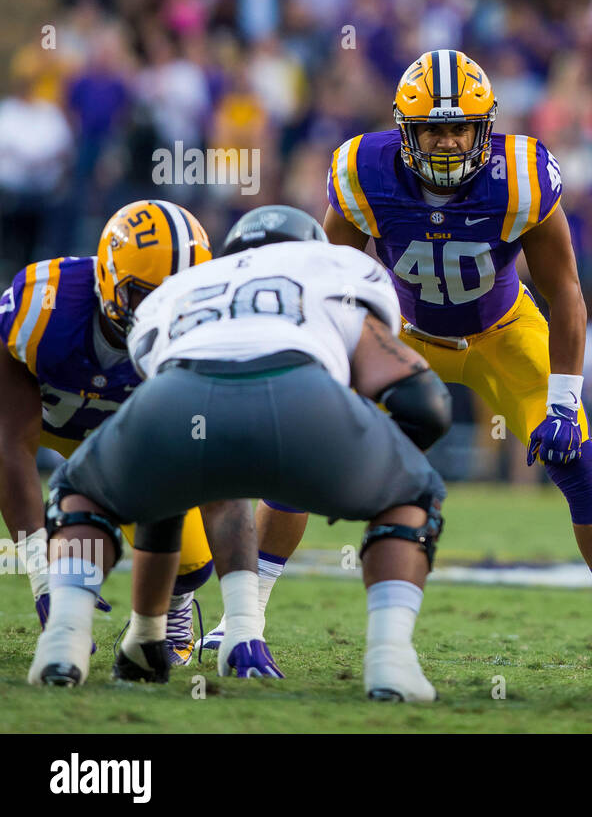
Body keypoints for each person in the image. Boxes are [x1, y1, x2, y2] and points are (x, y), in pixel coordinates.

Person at [207, 49, 592, 662]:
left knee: (576, 458)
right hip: (402, 333)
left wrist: (566, 399)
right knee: (305, 450)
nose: (451, 143)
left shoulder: (521, 176)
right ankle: (243, 619)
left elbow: (564, 291)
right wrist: (330, 367)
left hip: (503, 330)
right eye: (435, 128)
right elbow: (333, 276)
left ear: (486, 130)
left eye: (462, 128)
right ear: (406, 132)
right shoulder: (362, 174)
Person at [29, 206, 452, 700]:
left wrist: (148, 632)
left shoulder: (180, 291)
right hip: (302, 399)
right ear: (312, 248)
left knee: (80, 494)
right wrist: (365, 479)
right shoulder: (336, 270)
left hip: (177, 401)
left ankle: (64, 642)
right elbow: (425, 406)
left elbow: (165, 492)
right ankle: (390, 663)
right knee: (414, 493)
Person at [0, 199, 223, 664]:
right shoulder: (44, 306)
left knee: (189, 563)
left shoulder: (205, 331)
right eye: (145, 294)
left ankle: (170, 613)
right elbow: (10, 444)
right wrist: (43, 576)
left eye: (175, 295)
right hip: (49, 423)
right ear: (107, 276)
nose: (159, 311)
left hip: (130, 441)